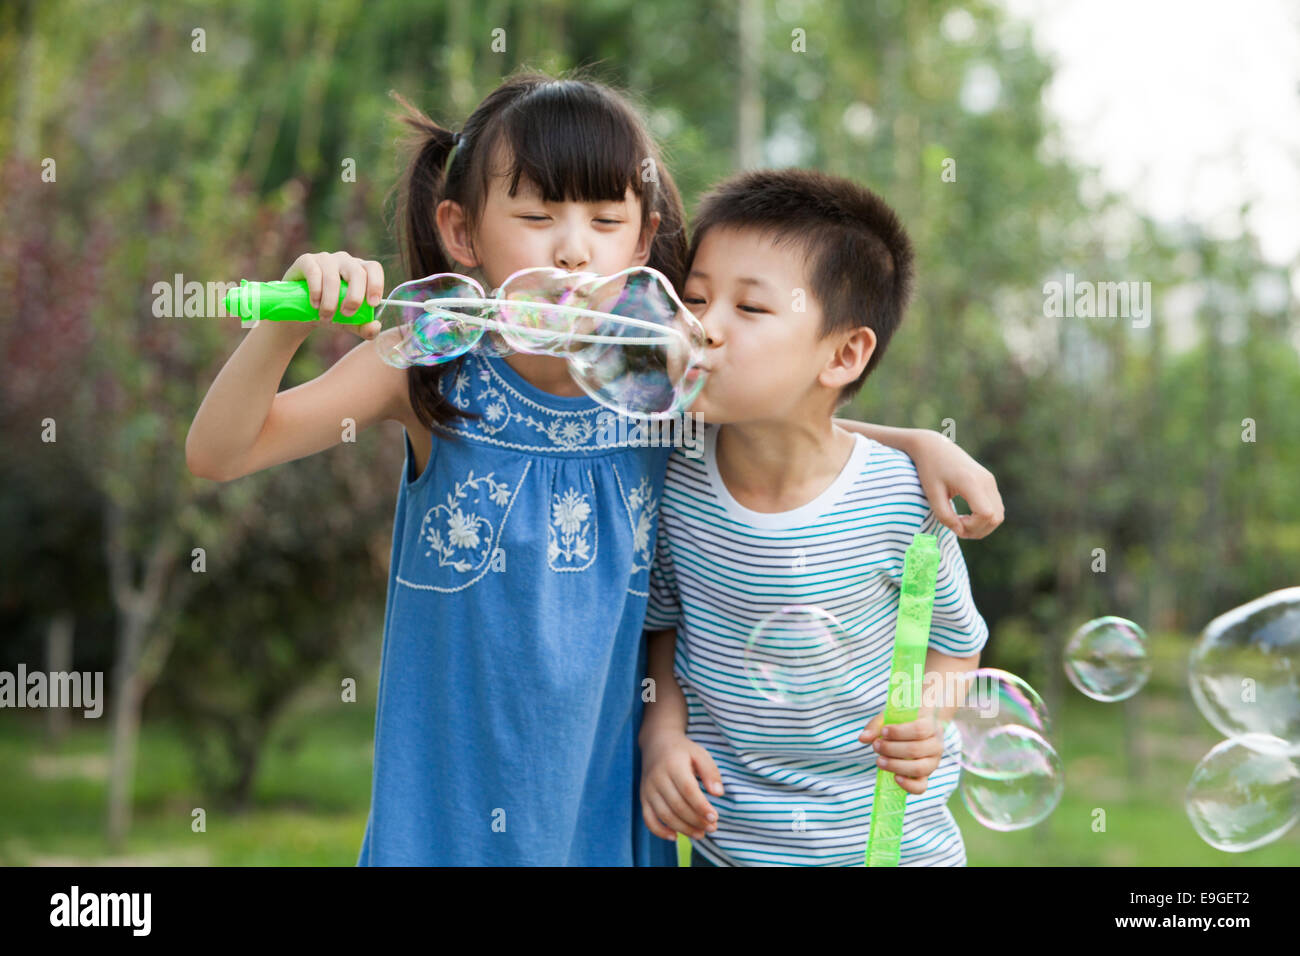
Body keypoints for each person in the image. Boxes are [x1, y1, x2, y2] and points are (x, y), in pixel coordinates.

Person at [187, 69, 1001, 865]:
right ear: (461, 232)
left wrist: (912, 443)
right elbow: (220, 452)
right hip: (445, 820)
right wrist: (285, 326)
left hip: (602, 816)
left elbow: (782, 411)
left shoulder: (656, 387)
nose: (574, 251)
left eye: (607, 219)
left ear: (644, 240)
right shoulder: (428, 373)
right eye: (537, 215)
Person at [640, 168, 989, 866]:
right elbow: (665, 635)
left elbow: (957, 643)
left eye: (752, 309)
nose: (703, 327)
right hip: (731, 851)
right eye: (697, 298)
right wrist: (662, 737)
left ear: (845, 354)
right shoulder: (673, 478)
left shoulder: (901, 501)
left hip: (893, 849)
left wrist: (931, 714)